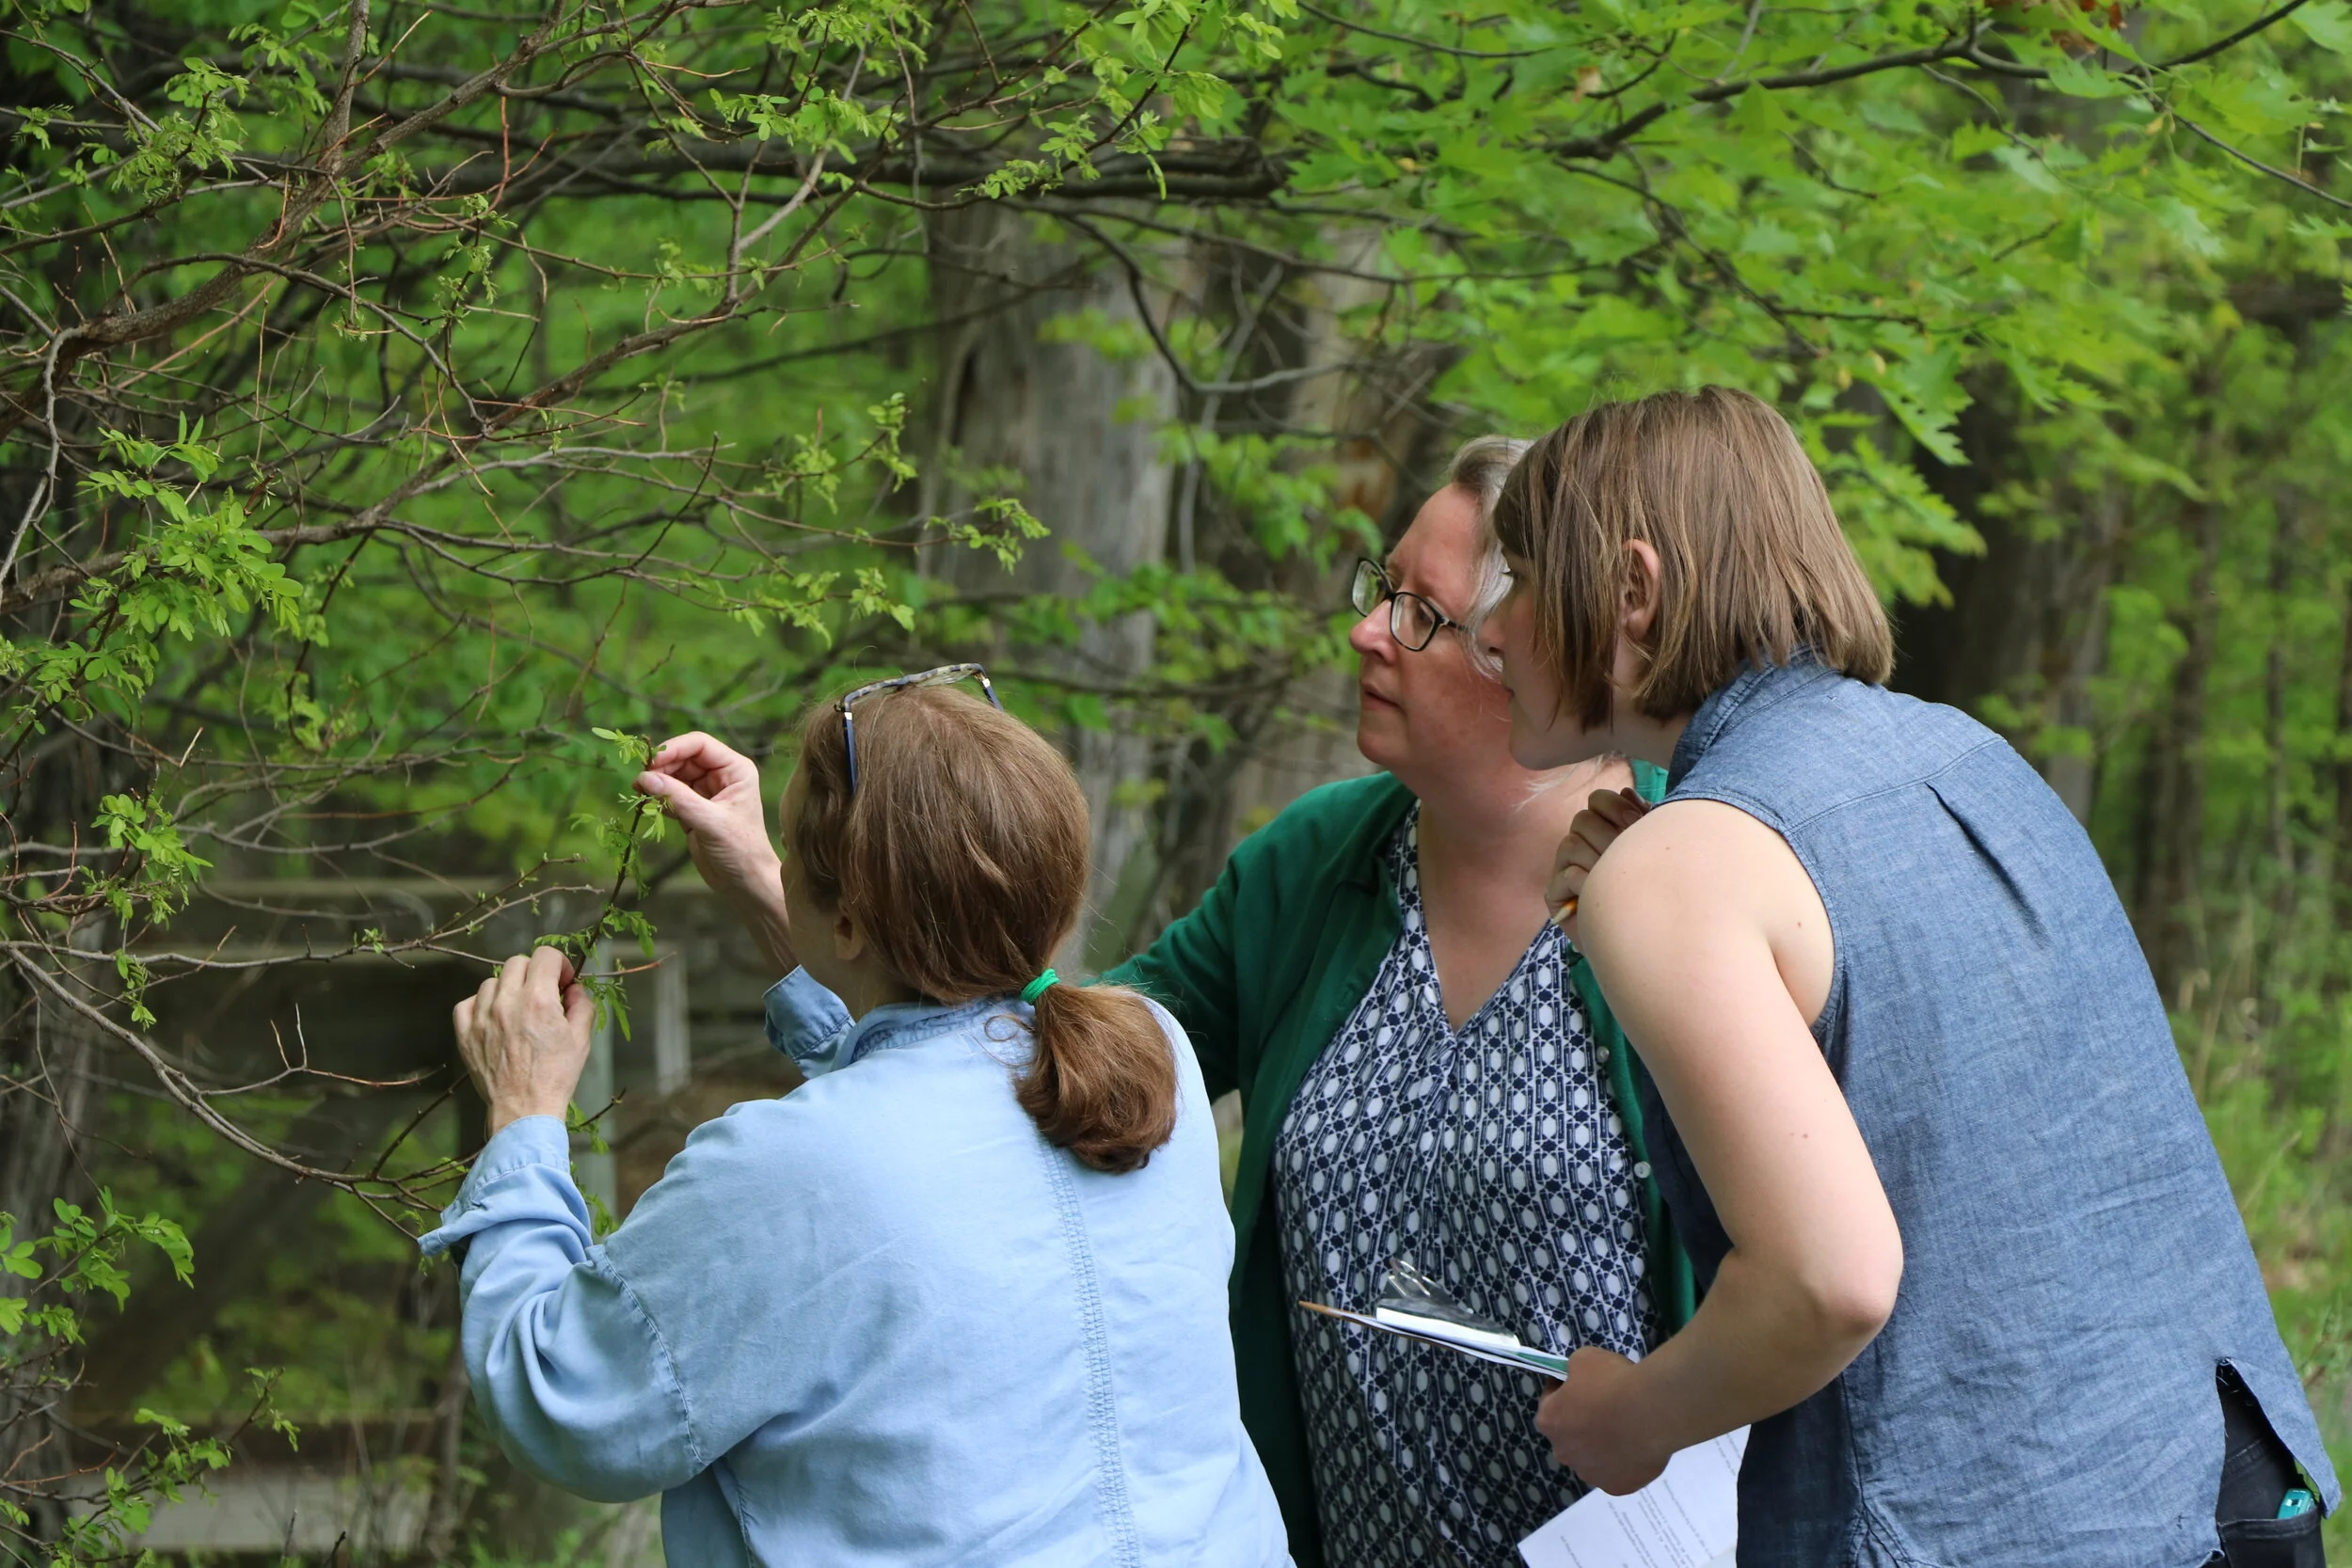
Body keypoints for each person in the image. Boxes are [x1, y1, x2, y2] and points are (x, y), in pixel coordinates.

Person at [639, 438, 1694, 1568]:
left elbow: (1797, 1272)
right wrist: (795, 899)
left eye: (1417, 613)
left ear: (1526, 643)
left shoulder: (1690, 877)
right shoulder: (1313, 865)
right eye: (1376, 587)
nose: (1364, 630)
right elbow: (1034, 1066)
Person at [1483, 386, 2338, 1567]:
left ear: (1633, 590)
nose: (1491, 628)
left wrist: (1632, 1418)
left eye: (1522, 578)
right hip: (2227, 1487)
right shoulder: (1962, 752)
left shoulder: (1681, 863)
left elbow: (1828, 1280)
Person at [421, 679, 1291, 1566]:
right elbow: (927, 1115)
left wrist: (523, 1112)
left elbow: (562, 1398)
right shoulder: (1150, 1058)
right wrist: (774, 887)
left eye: (792, 855)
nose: (781, 866)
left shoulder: (787, 1164)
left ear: (845, 916)